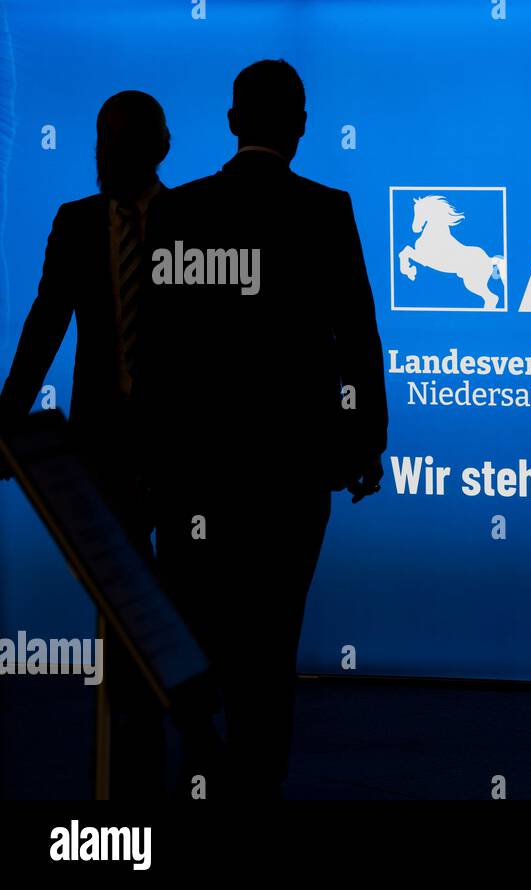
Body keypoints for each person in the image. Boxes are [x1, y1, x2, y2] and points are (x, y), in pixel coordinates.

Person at [134, 59, 388, 797]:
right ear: (300, 125)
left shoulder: (178, 212)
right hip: (290, 474)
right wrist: (366, 441)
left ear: (233, 122)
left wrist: (153, 458)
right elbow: (358, 338)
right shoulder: (325, 211)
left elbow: (153, 348)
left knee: (193, 629)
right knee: (272, 642)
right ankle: (254, 780)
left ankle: (198, 757)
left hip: (194, 476)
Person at [0, 90, 175, 798]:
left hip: (182, 447)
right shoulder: (75, 222)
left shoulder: (194, 221)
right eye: (101, 142)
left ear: (158, 148)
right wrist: (7, 418)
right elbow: (45, 323)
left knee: (180, 597)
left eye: (122, 144)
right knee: (122, 601)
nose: (105, 157)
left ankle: (173, 737)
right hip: (103, 443)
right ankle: (127, 755)